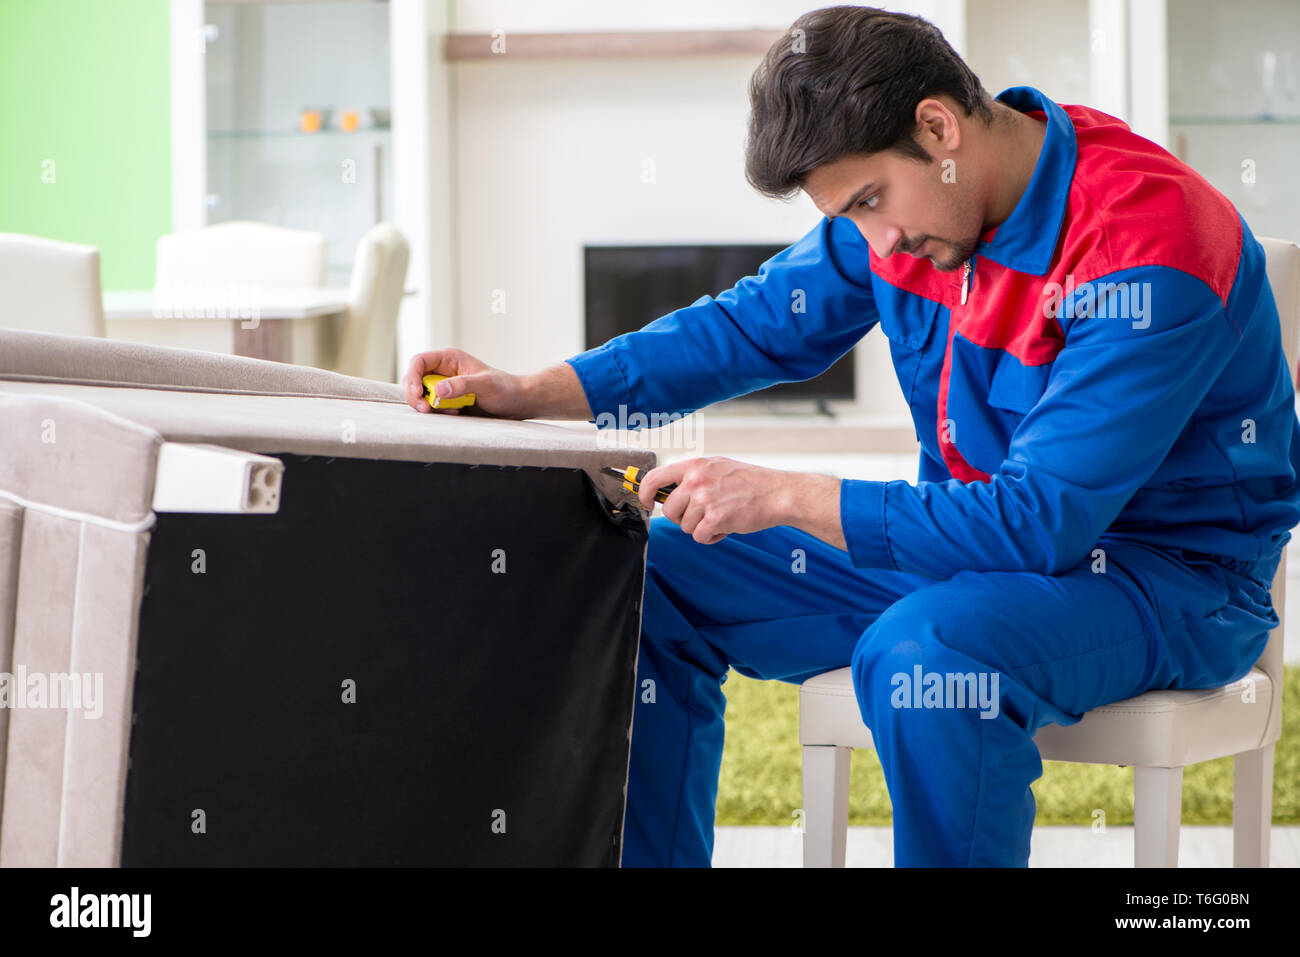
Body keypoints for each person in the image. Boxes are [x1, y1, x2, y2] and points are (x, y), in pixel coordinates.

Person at [401, 5, 1300, 866]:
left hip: (1167, 580)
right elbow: (752, 325)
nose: (880, 239)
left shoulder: (1151, 245)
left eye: (872, 200)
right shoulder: (909, 219)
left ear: (939, 128)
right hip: (967, 553)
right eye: (851, 218)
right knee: (650, 573)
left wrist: (787, 494)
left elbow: (1037, 523)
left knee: (928, 650)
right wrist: (537, 389)